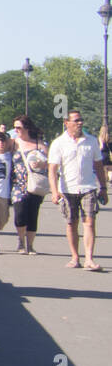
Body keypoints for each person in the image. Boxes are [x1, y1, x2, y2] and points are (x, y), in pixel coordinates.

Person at [48, 110, 109, 270]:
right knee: (71, 223)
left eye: (81, 120)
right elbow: (52, 169)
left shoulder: (91, 141)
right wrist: (54, 191)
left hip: (88, 187)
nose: (80, 123)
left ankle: (89, 258)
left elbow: (98, 165)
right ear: (66, 123)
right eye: (76, 120)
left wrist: (103, 188)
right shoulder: (59, 143)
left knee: (89, 221)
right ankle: (75, 257)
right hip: (68, 189)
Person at [12, 115, 48, 255]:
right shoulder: (13, 143)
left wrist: (41, 164)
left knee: (33, 215)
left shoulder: (39, 144)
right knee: (20, 214)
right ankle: (21, 241)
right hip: (18, 185)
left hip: (35, 184)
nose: (16, 130)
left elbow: (50, 163)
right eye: (15, 127)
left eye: (18, 127)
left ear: (27, 127)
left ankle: (30, 245)